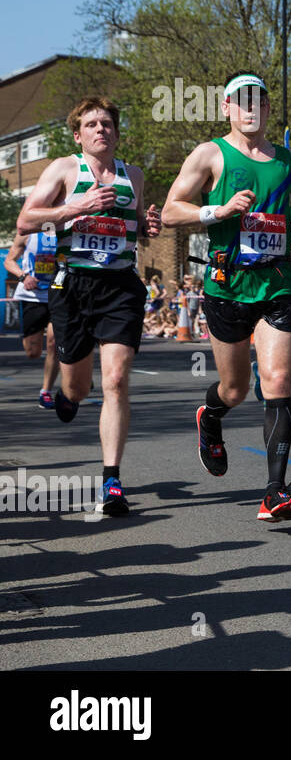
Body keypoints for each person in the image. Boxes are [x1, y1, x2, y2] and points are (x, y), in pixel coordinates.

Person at [162, 71, 291, 523]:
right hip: (227, 286)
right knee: (233, 389)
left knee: (278, 381)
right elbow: (173, 209)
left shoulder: (288, 159)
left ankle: (274, 491)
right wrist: (219, 210)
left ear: (269, 109)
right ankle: (210, 418)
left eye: (260, 101)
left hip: (277, 284)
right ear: (227, 108)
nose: (251, 108)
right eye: (241, 100)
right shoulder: (211, 153)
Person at [16, 96, 163, 515]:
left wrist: (148, 226)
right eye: (92, 124)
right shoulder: (64, 169)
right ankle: (69, 396)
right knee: (78, 387)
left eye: (108, 124)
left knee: (115, 379)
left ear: (117, 132)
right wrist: (75, 207)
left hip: (119, 286)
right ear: (78, 134)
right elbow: (27, 221)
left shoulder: (131, 175)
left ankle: (112, 479)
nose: (101, 129)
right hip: (73, 286)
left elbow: (137, 230)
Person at [4, 226, 60, 408]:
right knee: (32, 352)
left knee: (54, 343)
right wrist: (23, 276)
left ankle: (46, 392)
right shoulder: (28, 232)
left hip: (58, 294)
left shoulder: (67, 230)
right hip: (32, 296)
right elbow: (9, 261)